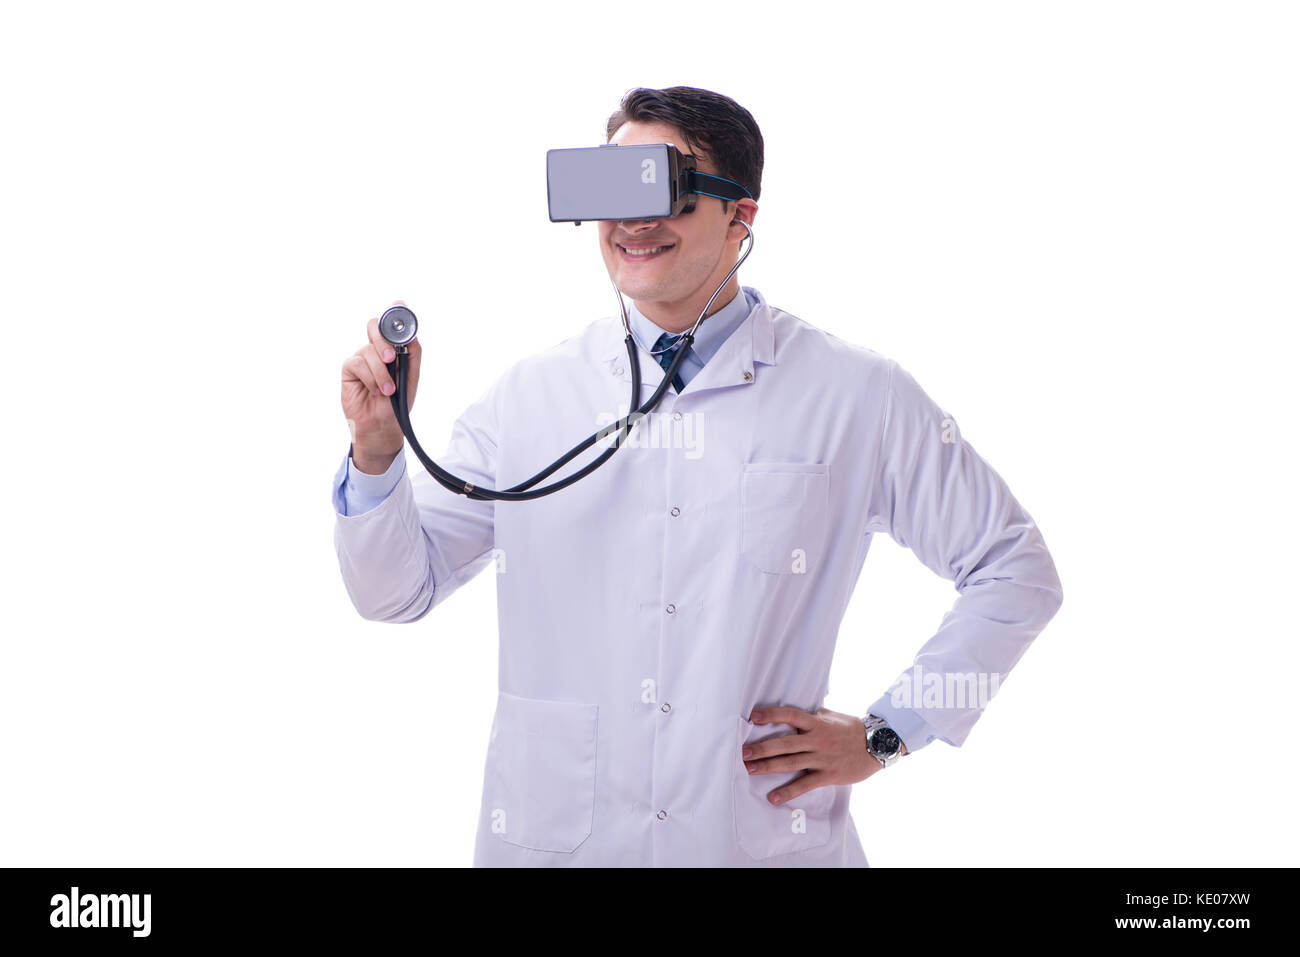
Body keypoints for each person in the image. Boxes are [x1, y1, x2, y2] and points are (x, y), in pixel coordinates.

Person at [331, 85, 1063, 867]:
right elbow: (393, 593)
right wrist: (377, 453)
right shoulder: (528, 397)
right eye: (614, 193)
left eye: (666, 192)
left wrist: (890, 732)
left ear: (740, 216)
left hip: (755, 840)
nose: (635, 223)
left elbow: (1015, 569)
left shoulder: (856, 395)